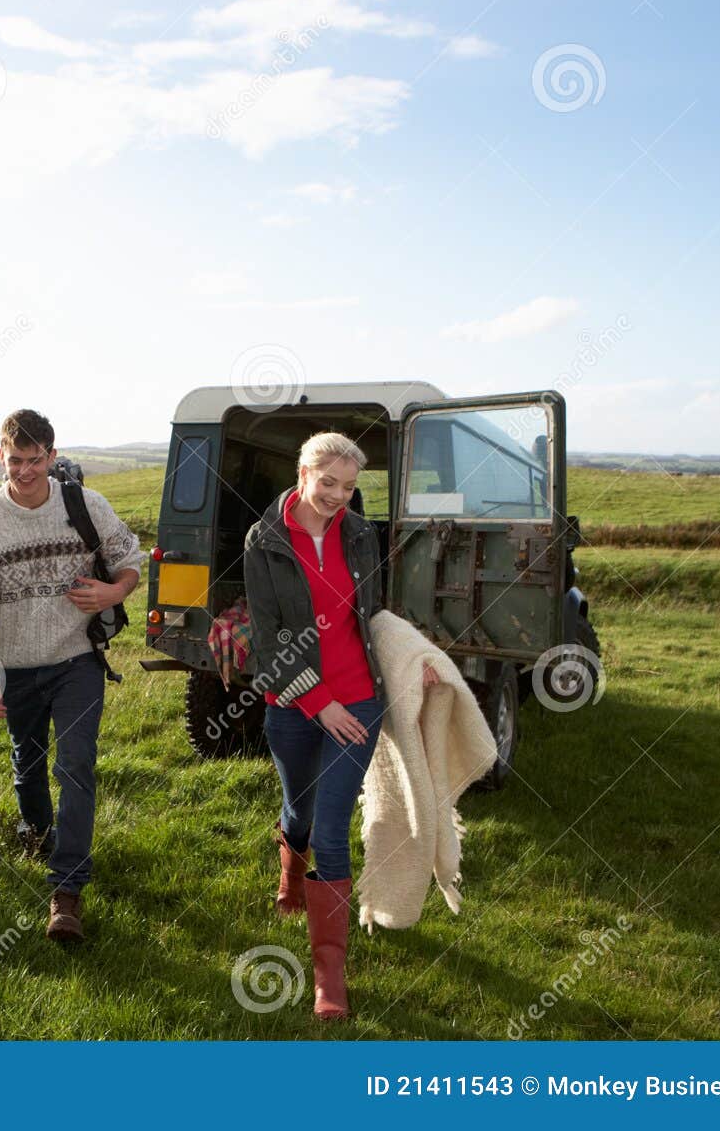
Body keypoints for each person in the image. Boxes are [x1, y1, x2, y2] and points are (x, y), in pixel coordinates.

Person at [241, 431, 439, 1019]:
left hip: (358, 700)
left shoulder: (358, 532)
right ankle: (290, 873)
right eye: (327, 483)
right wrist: (316, 700)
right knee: (298, 810)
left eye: (349, 487)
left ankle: (330, 971)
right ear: (303, 474)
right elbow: (269, 634)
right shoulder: (264, 540)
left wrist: (415, 657)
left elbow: (376, 610)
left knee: (330, 826)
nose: (337, 496)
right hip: (295, 702)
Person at [0, 409, 142, 943]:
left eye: (36, 461)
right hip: (13, 665)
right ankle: (37, 832)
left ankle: (68, 889)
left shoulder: (83, 504)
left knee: (76, 766)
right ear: (1, 456)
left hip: (77, 659)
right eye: (16, 461)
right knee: (27, 766)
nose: (26, 472)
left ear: (52, 457)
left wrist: (112, 593)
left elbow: (130, 558)